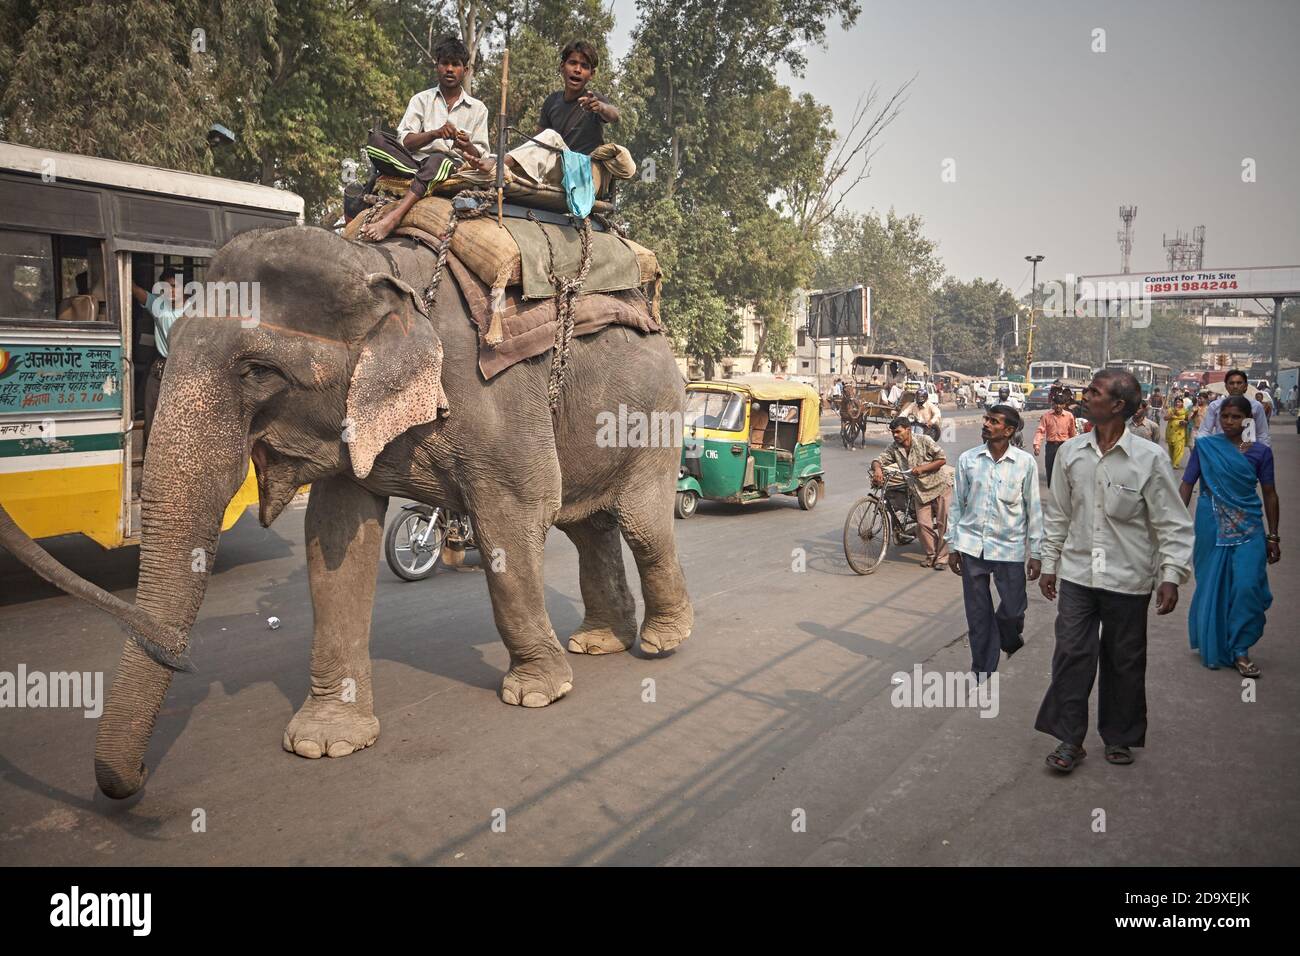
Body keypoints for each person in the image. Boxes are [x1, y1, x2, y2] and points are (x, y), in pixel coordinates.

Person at [1035, 369, 1194, 772]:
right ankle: (1070, 739)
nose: (1085, 396)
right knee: (1071, 654)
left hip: (1128, 578)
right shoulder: (1071, 453)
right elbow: (1058, 516)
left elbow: (1171, 522)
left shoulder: (1150, 459)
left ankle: (1120, 736)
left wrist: (1171, 574)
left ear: (1118, 405)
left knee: (1124, 659)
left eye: (1094, 392)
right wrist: (1050, 563)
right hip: (1077, 575)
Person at [1179, 396, 1280, 678]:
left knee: (1248, 586)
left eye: (1236, 417)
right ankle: (1217, 642)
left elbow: (1270, 494)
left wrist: (1274, 536)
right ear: (1218, 418)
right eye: (1225, 417)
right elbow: (1187, 484)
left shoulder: (1260, 452)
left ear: (1248, 419)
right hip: (1211, 520)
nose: (1230, 422)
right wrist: (1175, 523)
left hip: (1249, 523)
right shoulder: (1206, 447)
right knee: (1213, 582)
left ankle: (1240, 648)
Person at [360, 37, 490, 241]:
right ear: (436, 66)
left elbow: (480, 158)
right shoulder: (420, 100)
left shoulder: (478, 108)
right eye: (444, 63)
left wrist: (466, 146)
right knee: (376, 141)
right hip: (414, 163)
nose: (449, 69)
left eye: (455, 64)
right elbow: (405, 142)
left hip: (451, 168)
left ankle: (393, 218)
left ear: (465, 70)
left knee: (438, 159)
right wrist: (435, 133)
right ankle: (423, 178)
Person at [946, 405, 1043, 675]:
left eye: (994, 421)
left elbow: (1033, 509)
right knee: (978, 616)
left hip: (1009, 549)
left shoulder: (1025, 463)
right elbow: (957, 506)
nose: (986, 424)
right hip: (971, 546)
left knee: (1012, 611)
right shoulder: (968, 459)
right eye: (986, 419)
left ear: (1009, 430)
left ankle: (1010, 639)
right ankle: (983, 671)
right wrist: (952, 546)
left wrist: (1036, 552)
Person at [871, 417, 952, 569]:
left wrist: (923, 468)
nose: (895, 435)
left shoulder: (924, 440)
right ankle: (931, 554)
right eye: (893, 432)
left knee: (943, 524)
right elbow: (878, 459)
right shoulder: (894, 448)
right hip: (919, 491)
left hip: (939, 487)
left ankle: (942, 557)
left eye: (898, 432)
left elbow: (941, 459)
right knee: (922, 525)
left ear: (908, 430)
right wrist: (877, 469)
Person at [131, 268, 186, 445]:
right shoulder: (158, 305)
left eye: (174, 286)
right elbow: (136, 291)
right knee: (151, 415)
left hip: (185, 371)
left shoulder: (194, 310)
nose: (170, 291)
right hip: (161, 369)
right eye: (165, 288)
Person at [1198, 369, 1271, 447]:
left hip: (1247, 452)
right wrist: (1202, 449)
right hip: (1222, 450)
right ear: (1226, 386)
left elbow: (1262, 434)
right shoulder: (1215, 406)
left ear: (1245, 386)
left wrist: (1263, 452)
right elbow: (1205, 431)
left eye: (1239, 383)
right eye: (1231, 383)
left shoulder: (1256, 406)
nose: (1235, 386)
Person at [1033, 396, 1076, 486]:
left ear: (1064, 405)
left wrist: (1074, 447)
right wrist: (1037, 446)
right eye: (1056, 404)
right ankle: (1051, 488)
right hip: (1051, 445)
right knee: (1050, 467)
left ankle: (1064, 490)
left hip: (1065, 445)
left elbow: (1072, 432)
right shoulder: (1046, 416)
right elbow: (1040, 431)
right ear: (1053, 404)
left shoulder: (1069, 416)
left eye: (1060, 404)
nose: (1058, 406)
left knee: (1065, 468)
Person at [1164, 396, 1189, 467]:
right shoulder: (1171, 410)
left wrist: (1185, 422)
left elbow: (1188, 420)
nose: (1178, 403)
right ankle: (1172, 460)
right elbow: (1165, 418)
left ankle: (1176, 463)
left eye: (1179, 402)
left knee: (1179, 447)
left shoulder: (1185, 411)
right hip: (1171, 431)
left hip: (1180, 432)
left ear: (1182, 403)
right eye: (1176, 402)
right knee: (1171, 447)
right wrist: (1172, 414)